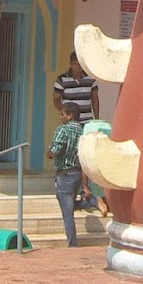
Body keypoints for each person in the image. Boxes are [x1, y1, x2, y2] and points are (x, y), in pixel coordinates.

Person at [49, 103, 90, 246]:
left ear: (70, 116)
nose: (61, 117)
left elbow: (56, 149)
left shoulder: (62, 129)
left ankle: (72, 245)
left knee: (67, 214)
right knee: (69, 206)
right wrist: (85, 184)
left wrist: (49, 153)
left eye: (62, 114)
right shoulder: (82, 131)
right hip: (78, 174)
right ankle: (92, 202)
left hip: (65, 175)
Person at [53, 52, 99, 121]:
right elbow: (56, 100)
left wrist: (96, 119)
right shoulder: (61, 80)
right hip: (70, 122)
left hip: (87, 121)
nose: (78, 67)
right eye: (75, 64)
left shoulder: (91, 79)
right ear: (70, 64)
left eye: (80, 64)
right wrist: (66, 114)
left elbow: (95, 99)